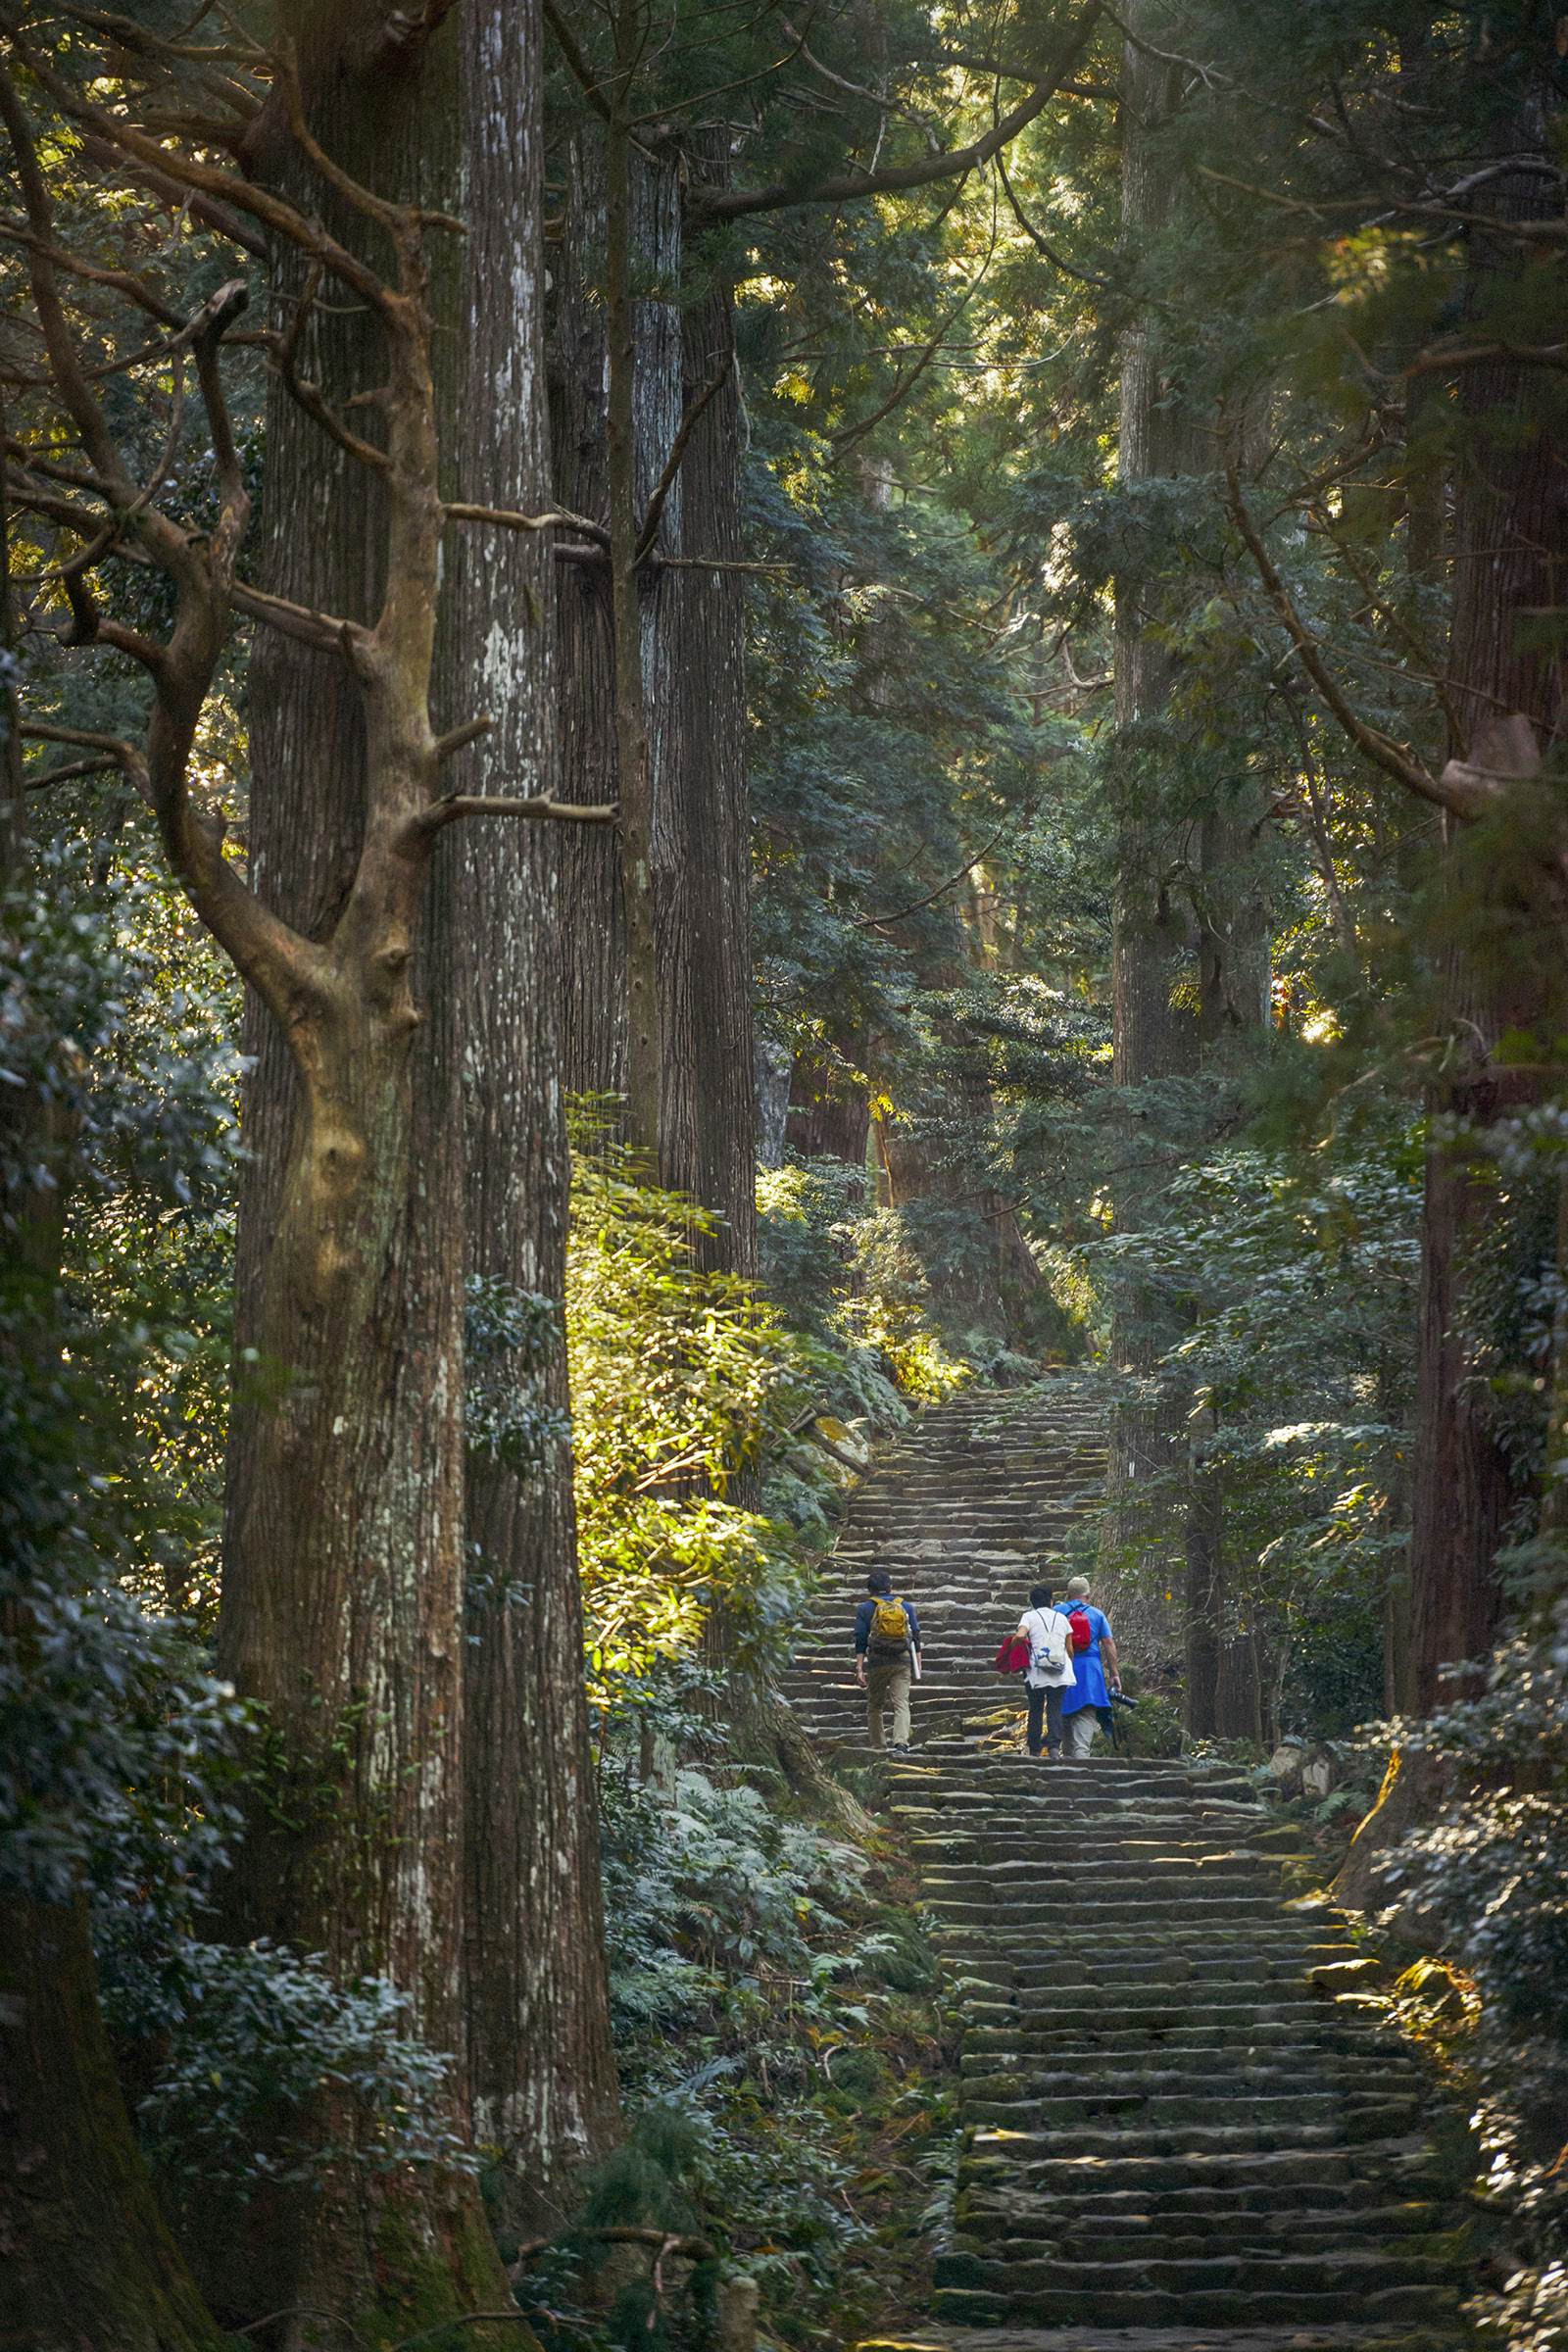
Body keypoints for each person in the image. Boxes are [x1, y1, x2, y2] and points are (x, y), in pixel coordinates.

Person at [854, 1569, 921, 1751]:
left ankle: (879, 1746)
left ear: (869, 1590)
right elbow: (915, 1636)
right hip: (902, 1661)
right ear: (890, 1587)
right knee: (901, 1702)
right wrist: (918, 1665)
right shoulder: (906, 1606)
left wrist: (860, 1668)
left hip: (877, 1662)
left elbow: (860, 1639)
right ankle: (901, 1743)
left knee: (875, 1704)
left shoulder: (865, 1609)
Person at [1058, 1574, 1121, 1758]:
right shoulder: (1097, 1614)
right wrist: (1114, 1674)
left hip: (1063, 1669)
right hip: (1089, 1672)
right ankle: (1082, 1760)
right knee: (1085, 1715)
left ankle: (1067, 1762)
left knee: (1064, 1715)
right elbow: (1108, 1643)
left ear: (1068, 1594)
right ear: (1087, 1595)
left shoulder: (1058, 1611)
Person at [1016, 1581, 1074, 1759]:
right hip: (1060, 1670)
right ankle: (1054, 1748)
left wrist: (1013, 1648)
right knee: (1055, 1708)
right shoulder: (1063, 1619)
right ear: (1051, 1601)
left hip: (1036, 1671)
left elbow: (1020, 1636)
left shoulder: (1028, 1617)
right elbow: (1070, 1649)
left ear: (1032, 1603)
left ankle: (1034, 1750)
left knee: (1035, 1708)